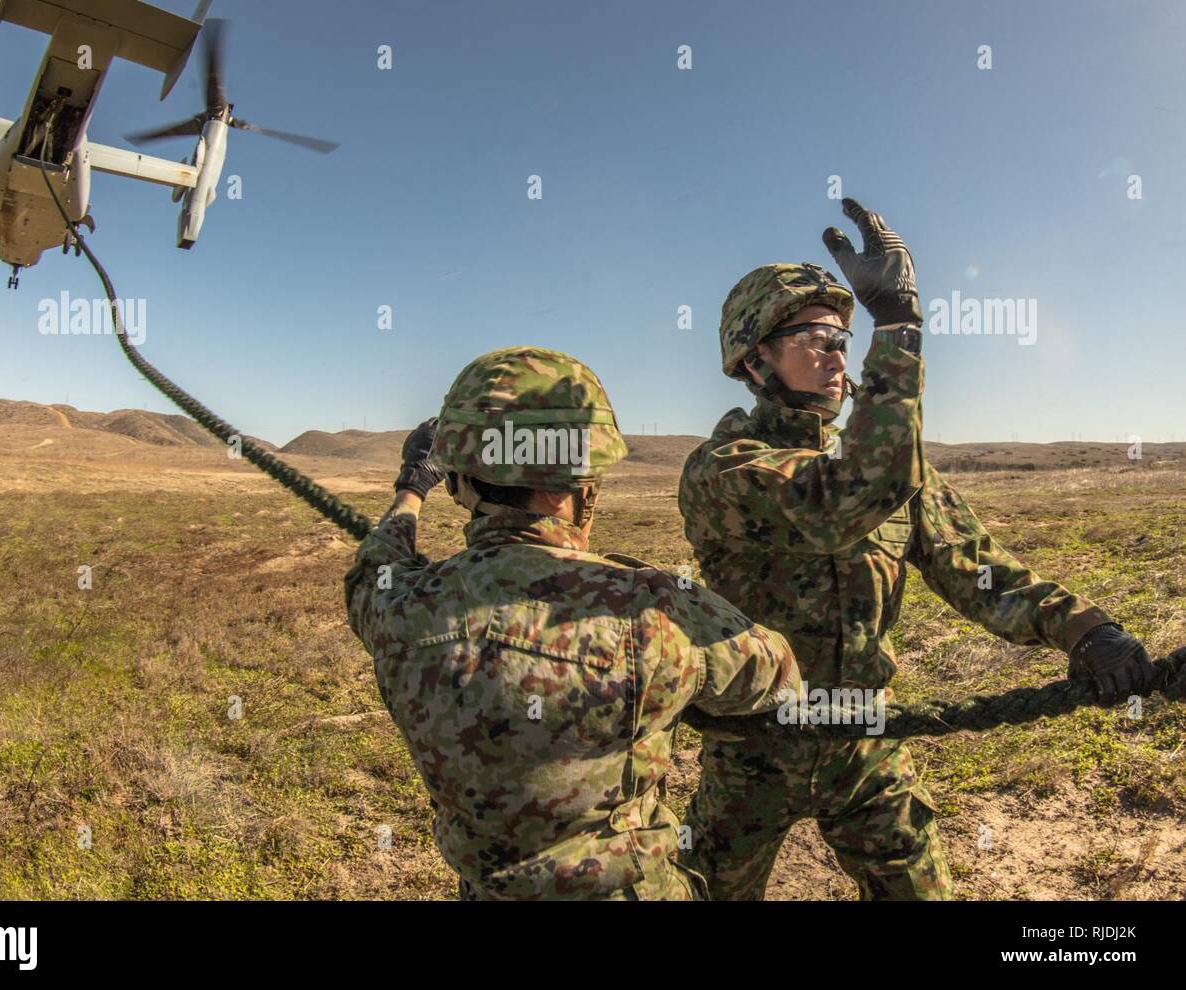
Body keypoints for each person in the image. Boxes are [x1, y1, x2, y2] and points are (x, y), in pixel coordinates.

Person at [677, 198, 1159, 900]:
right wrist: (898, 326)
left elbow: (980, 573)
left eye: (845, 337)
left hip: (867, 746)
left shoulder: (895, 471)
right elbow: (844, 501)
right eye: (817, 336)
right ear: (753, 360)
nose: (839, 353)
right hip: (754, 750)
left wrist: (1086, 630)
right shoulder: (723, 470)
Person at [344, 345, 801, 899]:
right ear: (582, 486)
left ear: (461, 484)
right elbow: (776, 680)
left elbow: (373, 568)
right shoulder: (655, 609)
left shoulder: (399, 608)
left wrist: (410, 488)